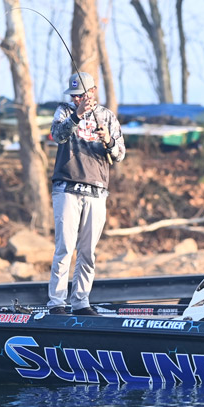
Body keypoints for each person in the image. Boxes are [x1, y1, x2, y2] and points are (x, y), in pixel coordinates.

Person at [47, 71, 126, 316]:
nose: (76, 98)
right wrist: (76, 116)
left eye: (80, 94)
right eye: (73, 95)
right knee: (64, 247)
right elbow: (57, 135)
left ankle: (81, 301)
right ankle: (57, 302)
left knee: (87, 250)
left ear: (91, 92)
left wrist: (109, 141)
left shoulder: (107, 116)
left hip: (96, 190)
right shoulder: (63, 111)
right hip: (67, 188)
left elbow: (120, 154)